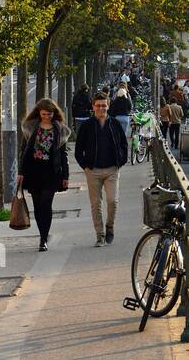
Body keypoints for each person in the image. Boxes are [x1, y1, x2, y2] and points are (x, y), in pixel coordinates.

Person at [16, 99, 70, 251]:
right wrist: (20, 172)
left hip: (52, 173)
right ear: (39, 113)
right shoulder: (30, 128)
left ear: (54, 114)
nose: (47, 117)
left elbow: (63, 154)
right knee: (38, 206)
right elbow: (23, 151)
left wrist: (65, 176)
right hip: (33, 172)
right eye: (45, 114)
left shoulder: (60, 130)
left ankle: (43, 239)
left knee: (46, 204)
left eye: (50, 114)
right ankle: (42, 234)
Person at [75, 92, 128, 246]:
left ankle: (109, 226)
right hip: (93, 170)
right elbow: (79, 150)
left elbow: (124, 144)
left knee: (113, 201)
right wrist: (85, 166)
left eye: (104, 105)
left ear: (108, 106)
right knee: (95, 204)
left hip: (112, 169)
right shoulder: (87, 126)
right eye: (98, 106)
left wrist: (121, 161)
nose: (101, 108)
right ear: (93, 107)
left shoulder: (115, 124)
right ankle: (100, 235)